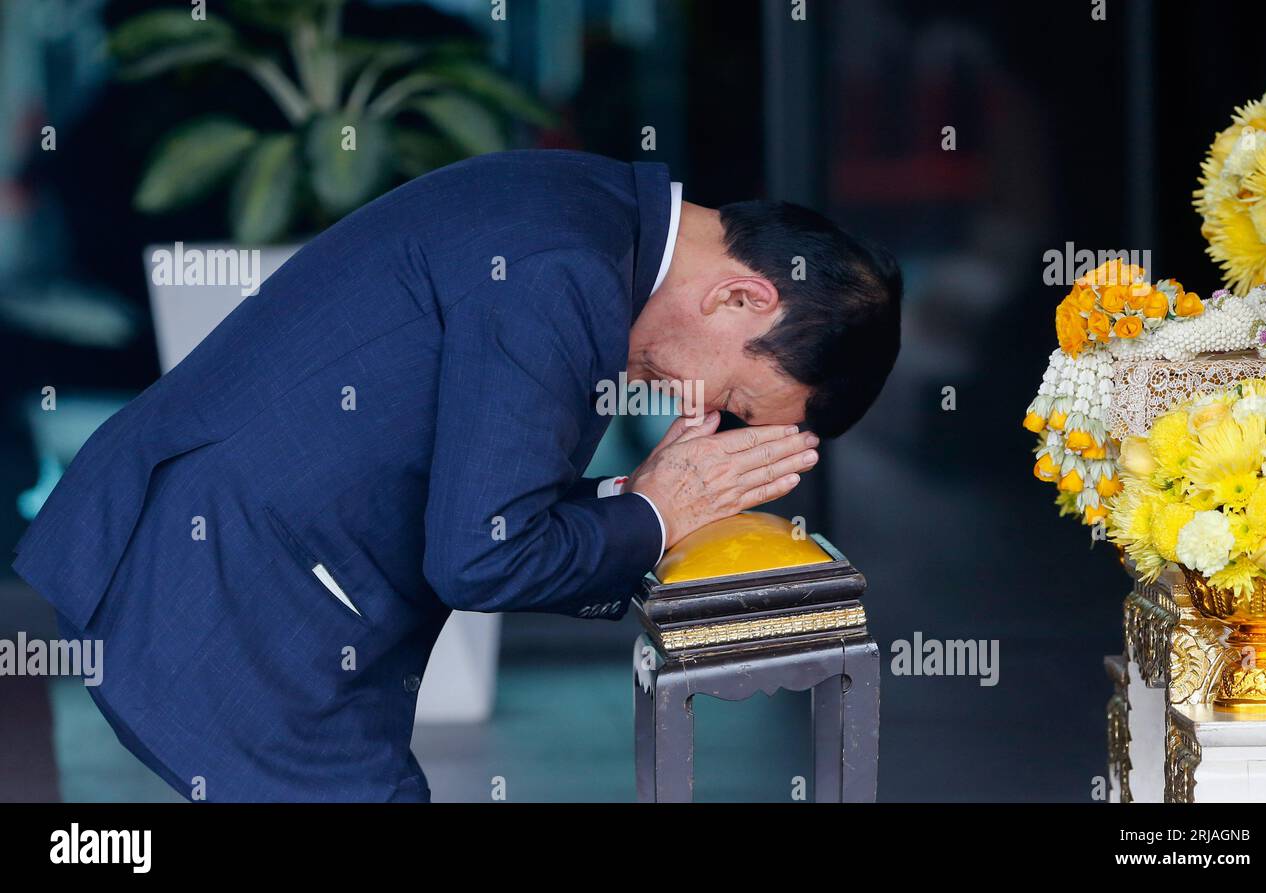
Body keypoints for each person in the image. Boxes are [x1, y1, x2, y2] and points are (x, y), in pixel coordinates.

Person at [13, 150, 902, 801]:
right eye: (739, 399)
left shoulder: (586, 209)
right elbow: (483, 557)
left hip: (220, 561)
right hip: (231, 602)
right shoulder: (567, 275)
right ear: (742, 296)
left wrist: (639, 504)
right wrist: (657, 518)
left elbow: (486, 494)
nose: (702, 418)